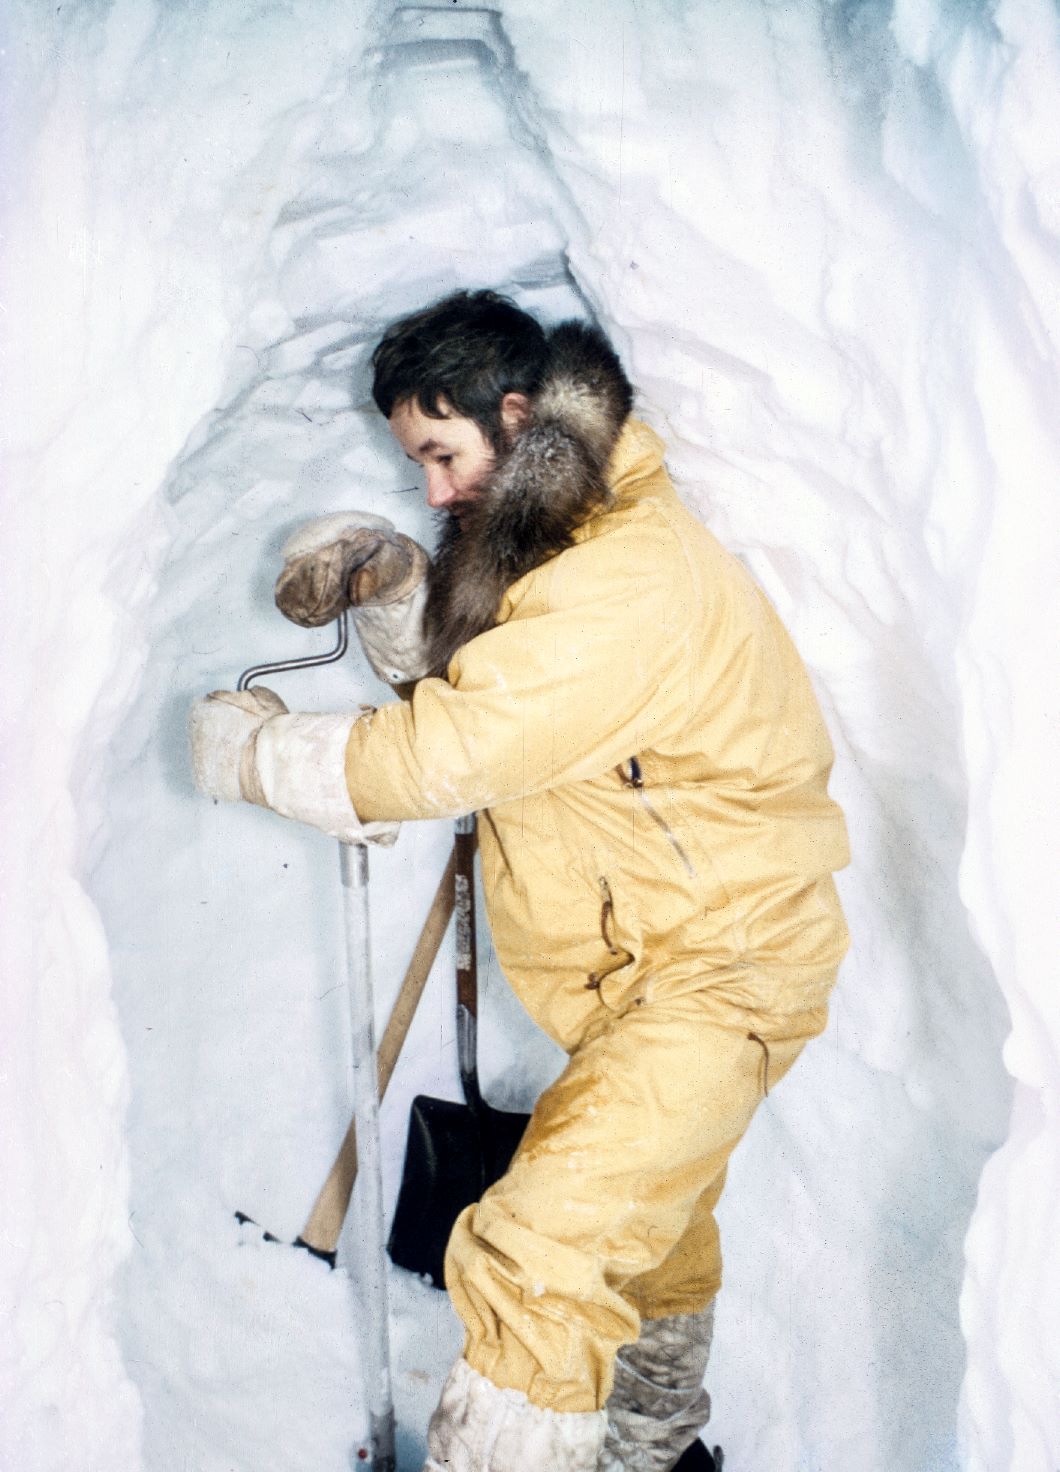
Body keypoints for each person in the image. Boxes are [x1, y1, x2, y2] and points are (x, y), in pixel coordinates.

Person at [190, 290, 850, 1472]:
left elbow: (458, 746)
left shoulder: (630, 575)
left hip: (717, 972)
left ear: (513, 415)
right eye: (418, 471)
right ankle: (646, 1449)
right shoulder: (565, 545)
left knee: (535, 1252)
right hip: (652, 976)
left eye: (441, 457)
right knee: (647, 1238)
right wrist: (397, 590)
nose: (436, 491)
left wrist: (262, 754)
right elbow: (495, 685)